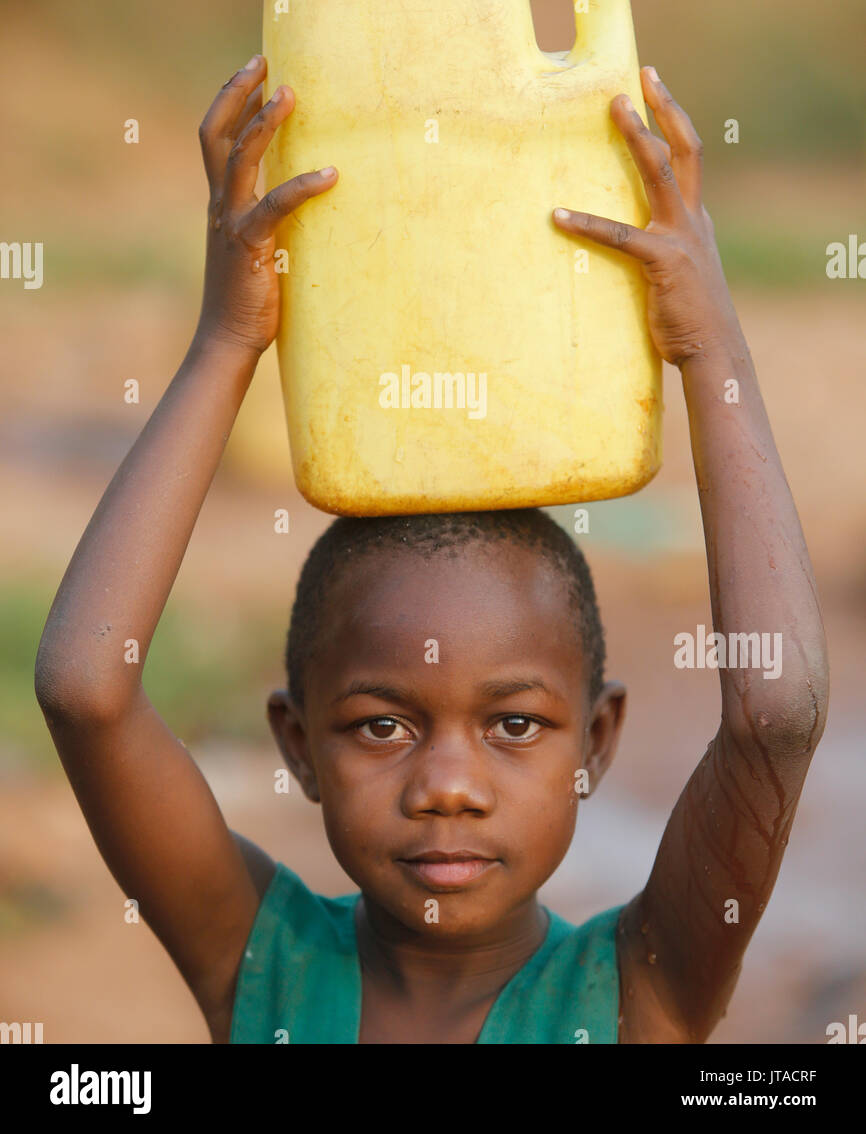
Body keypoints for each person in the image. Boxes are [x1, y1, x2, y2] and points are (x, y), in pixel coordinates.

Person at [35, 58, 828, 1043]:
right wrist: (226, 342)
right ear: (296, 742)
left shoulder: (632, 991)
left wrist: (711, 347)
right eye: (379, 727)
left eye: (514, 724)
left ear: (596, 739)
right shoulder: (260, 960)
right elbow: (85, 687)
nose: (446, 785)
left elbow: (776, 713)